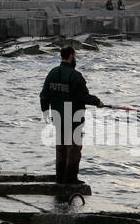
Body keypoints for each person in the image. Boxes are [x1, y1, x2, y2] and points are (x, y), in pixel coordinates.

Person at [39, 45, 105, 185]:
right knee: (74, 149)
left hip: (57, 117)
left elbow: (44, 95)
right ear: (70, 56)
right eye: (74, 56)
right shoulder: (75, 76)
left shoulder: (52, 73)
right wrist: (98, 102)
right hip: (73, 118)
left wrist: (45, 111)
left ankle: (60, 178)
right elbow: (83, 96)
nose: (75, 59)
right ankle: (70, 179)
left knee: (61, 148)